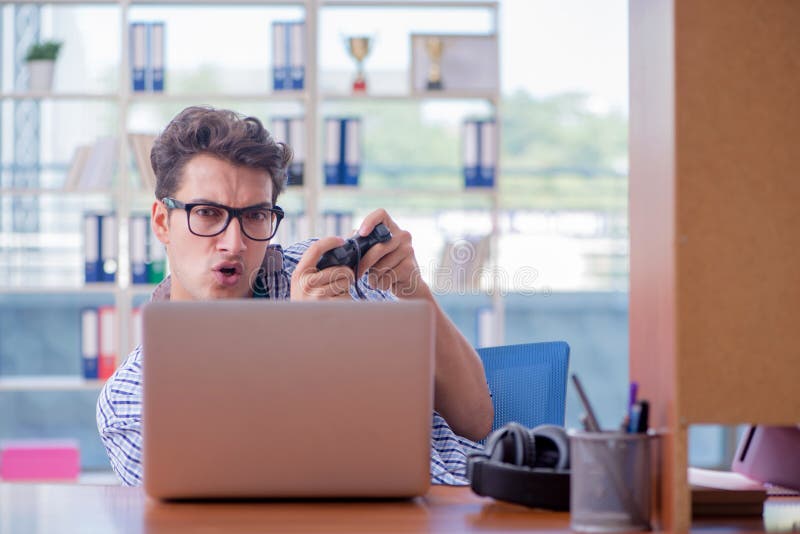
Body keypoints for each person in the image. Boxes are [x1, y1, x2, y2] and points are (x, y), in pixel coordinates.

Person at [96, 106, 493, 486]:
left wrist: (414, 292)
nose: (233, 244)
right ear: (163, 222)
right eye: (207, 213)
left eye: (255, 216)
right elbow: (223, 511)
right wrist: (304, 347)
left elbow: (475, 419)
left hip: (463, 500)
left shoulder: (320, 273)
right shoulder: (134, 399)